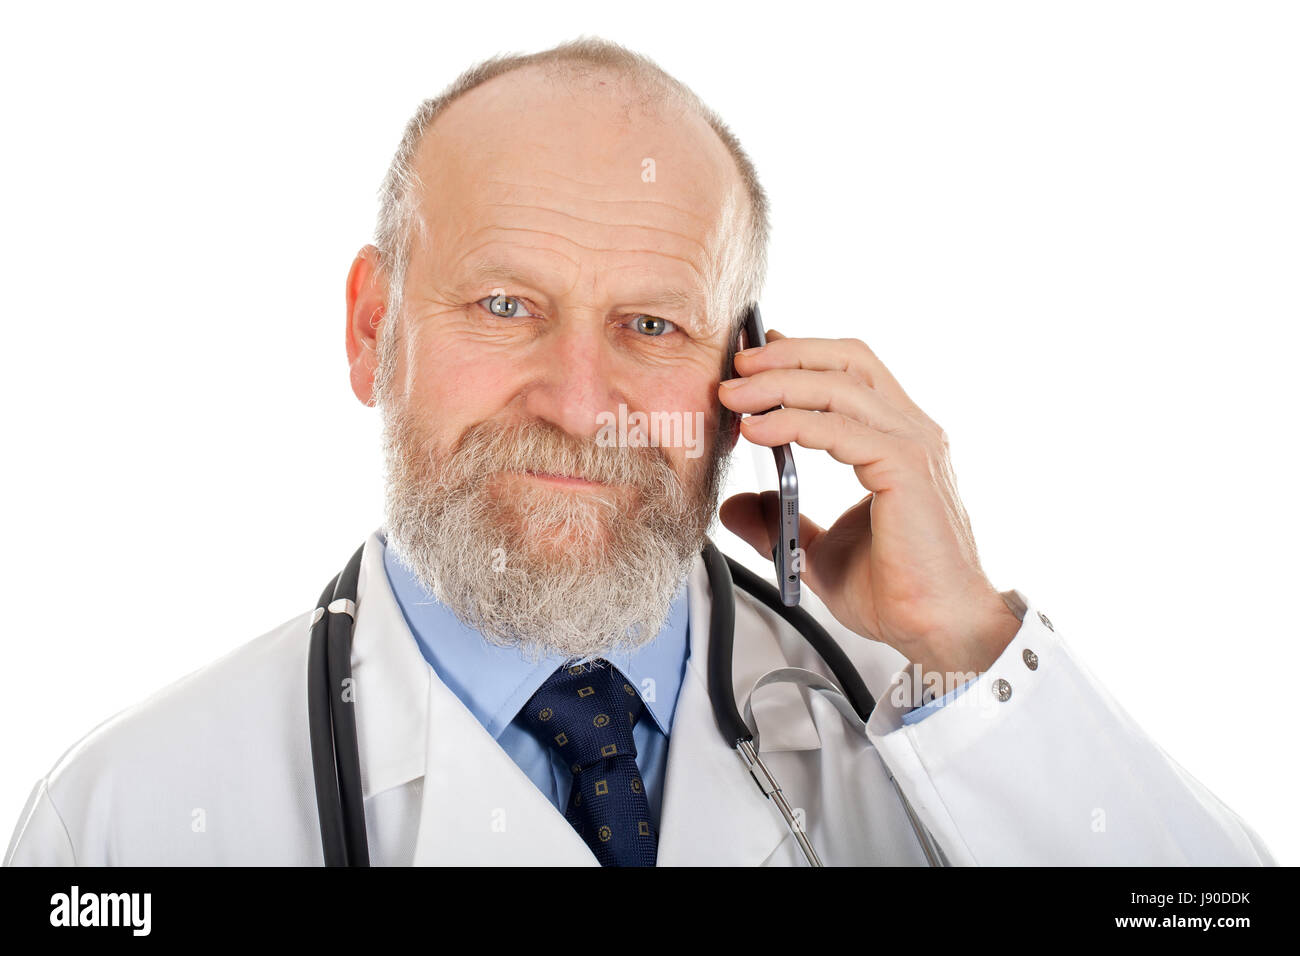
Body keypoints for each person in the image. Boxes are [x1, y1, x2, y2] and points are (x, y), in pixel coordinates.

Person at [3, 36, 1275, 867]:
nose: (577, 400)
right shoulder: (122, 824)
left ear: (748, 377)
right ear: (371, 330)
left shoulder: (933, 724)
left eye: (651, 325)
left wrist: (969, 645)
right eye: (504, 305)